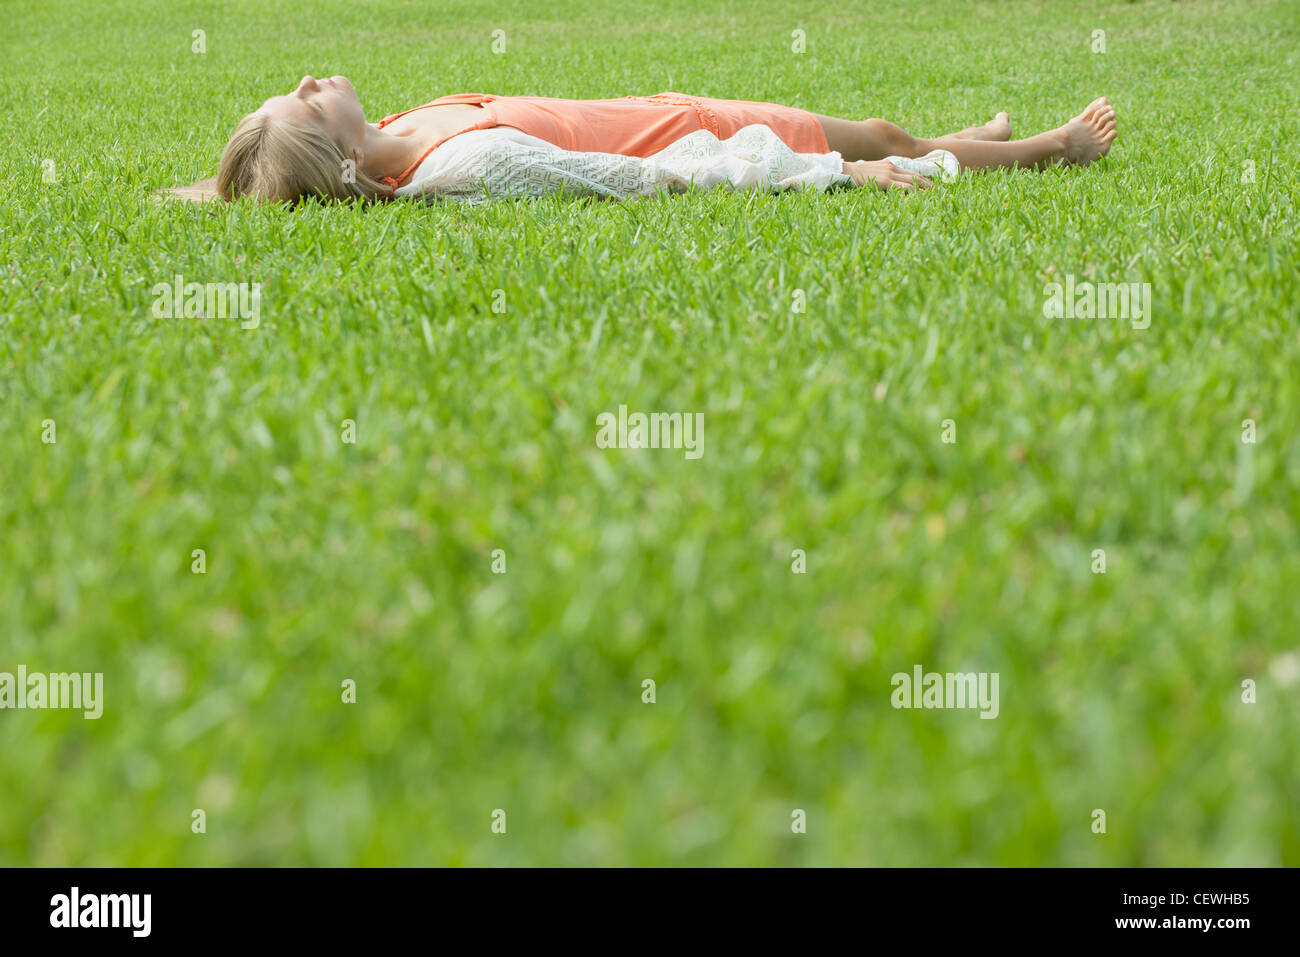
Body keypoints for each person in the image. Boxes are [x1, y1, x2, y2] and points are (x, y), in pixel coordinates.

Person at [174, 76, 1117, 204]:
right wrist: (840, 176)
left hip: (664, 101)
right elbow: (649, 177)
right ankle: (1047, 148)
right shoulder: (456, 167)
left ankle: (962, 137)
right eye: (307, 105)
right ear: (338, 159)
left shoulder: (402, 131)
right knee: (873, 137)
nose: (309, 83)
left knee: (888, 128)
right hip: (699, 134)